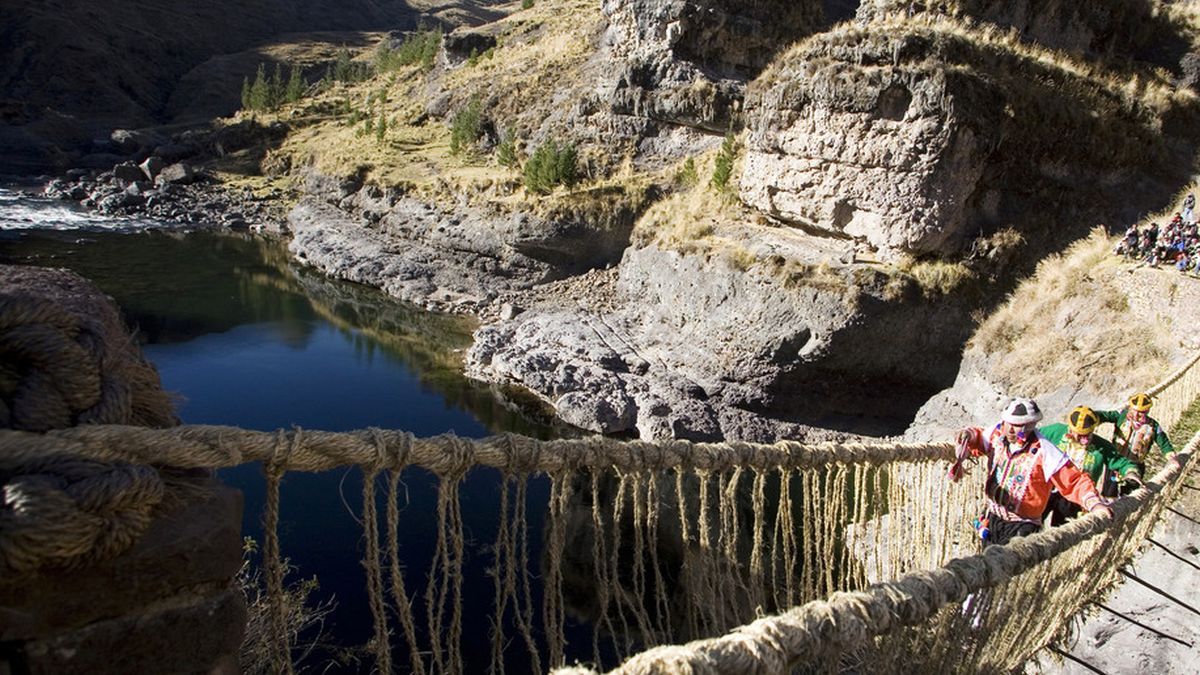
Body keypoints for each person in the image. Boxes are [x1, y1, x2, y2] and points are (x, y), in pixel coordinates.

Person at [953, 398, 1112, 545]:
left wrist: (1094, 504)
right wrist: (968, 435)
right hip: (992, 516)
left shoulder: (1044, 451)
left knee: (1007, 569)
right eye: (1008, 423)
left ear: (1030, 426)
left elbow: (1073, 480)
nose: (1009, 429)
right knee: (988, 565)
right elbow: (981, 439)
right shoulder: (998, 434)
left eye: (1016, 426)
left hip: (1021, 526)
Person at [1039, 406, 1139, 524]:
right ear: (1071, 429)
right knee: (1033, 525)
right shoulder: (1055, 432)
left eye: (1088, 434)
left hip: (1076, 496)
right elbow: (1032, 437)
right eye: (1080, 435)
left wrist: (1131, 472)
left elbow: (1121, 462)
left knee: (1062, 533)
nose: (1085, 439)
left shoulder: (1101, 446)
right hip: (1046, 489)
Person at [1095, 393, 1178, 497]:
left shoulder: (1153, 426)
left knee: (1129, 496)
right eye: (1135, 410)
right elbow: (1105, 416)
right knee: (1109, 494)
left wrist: (1171, 457)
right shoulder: (1122, 416)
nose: (1137, 415)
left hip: (1136, 465)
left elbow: (1164, 443)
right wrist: (1092, 416)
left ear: (1147, 411)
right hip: (1116, 462)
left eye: (1142, 412)